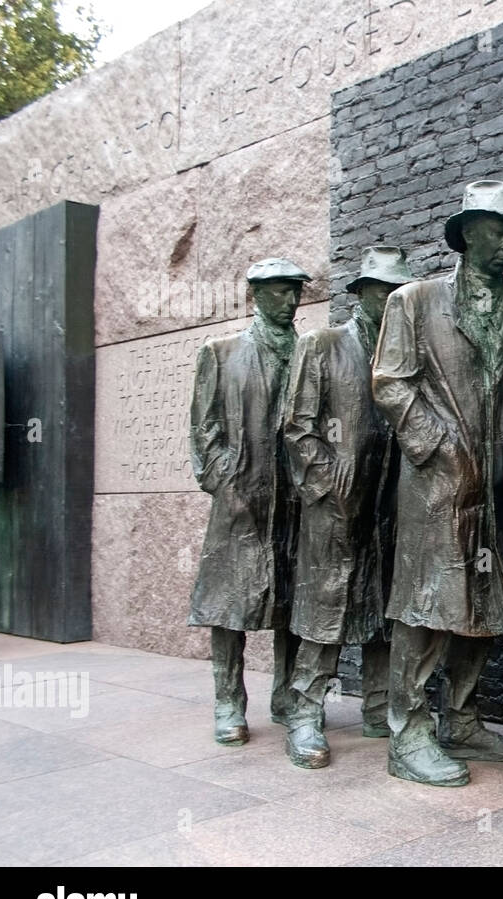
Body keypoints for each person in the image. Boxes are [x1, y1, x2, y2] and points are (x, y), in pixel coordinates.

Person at [372, 182, 503, 786]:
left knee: (486, 604)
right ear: (469, 234)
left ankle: (461, 720)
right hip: (438, 486)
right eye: (498, 232)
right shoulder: (415, 301)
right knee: (427, 605)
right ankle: (408, 733)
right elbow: (391, 383)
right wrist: (440, 448)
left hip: (493, 486)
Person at [280, 247, 414, 768]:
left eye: (398, 292)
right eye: (383, 291)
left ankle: (380, 707)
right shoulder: (323, 344)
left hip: (389, 501)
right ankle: (305, 712)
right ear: (362, 294)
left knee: (384, 606)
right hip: (333, 506)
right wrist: (324, 482)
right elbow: (297, 425)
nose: (391, 301)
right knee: (326, 609)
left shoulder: (405, 351)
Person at [188, 257, 308, 746]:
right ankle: (228, 701)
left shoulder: (308, 351)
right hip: (241, 498)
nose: (291, 301)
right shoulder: (220, 352)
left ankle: (286, 695)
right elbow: (203, 427)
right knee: (228, 605)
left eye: (295, 291)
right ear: (255, 294)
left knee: (294, 599)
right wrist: (224, 481)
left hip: (298, 498)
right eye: (280, 292)